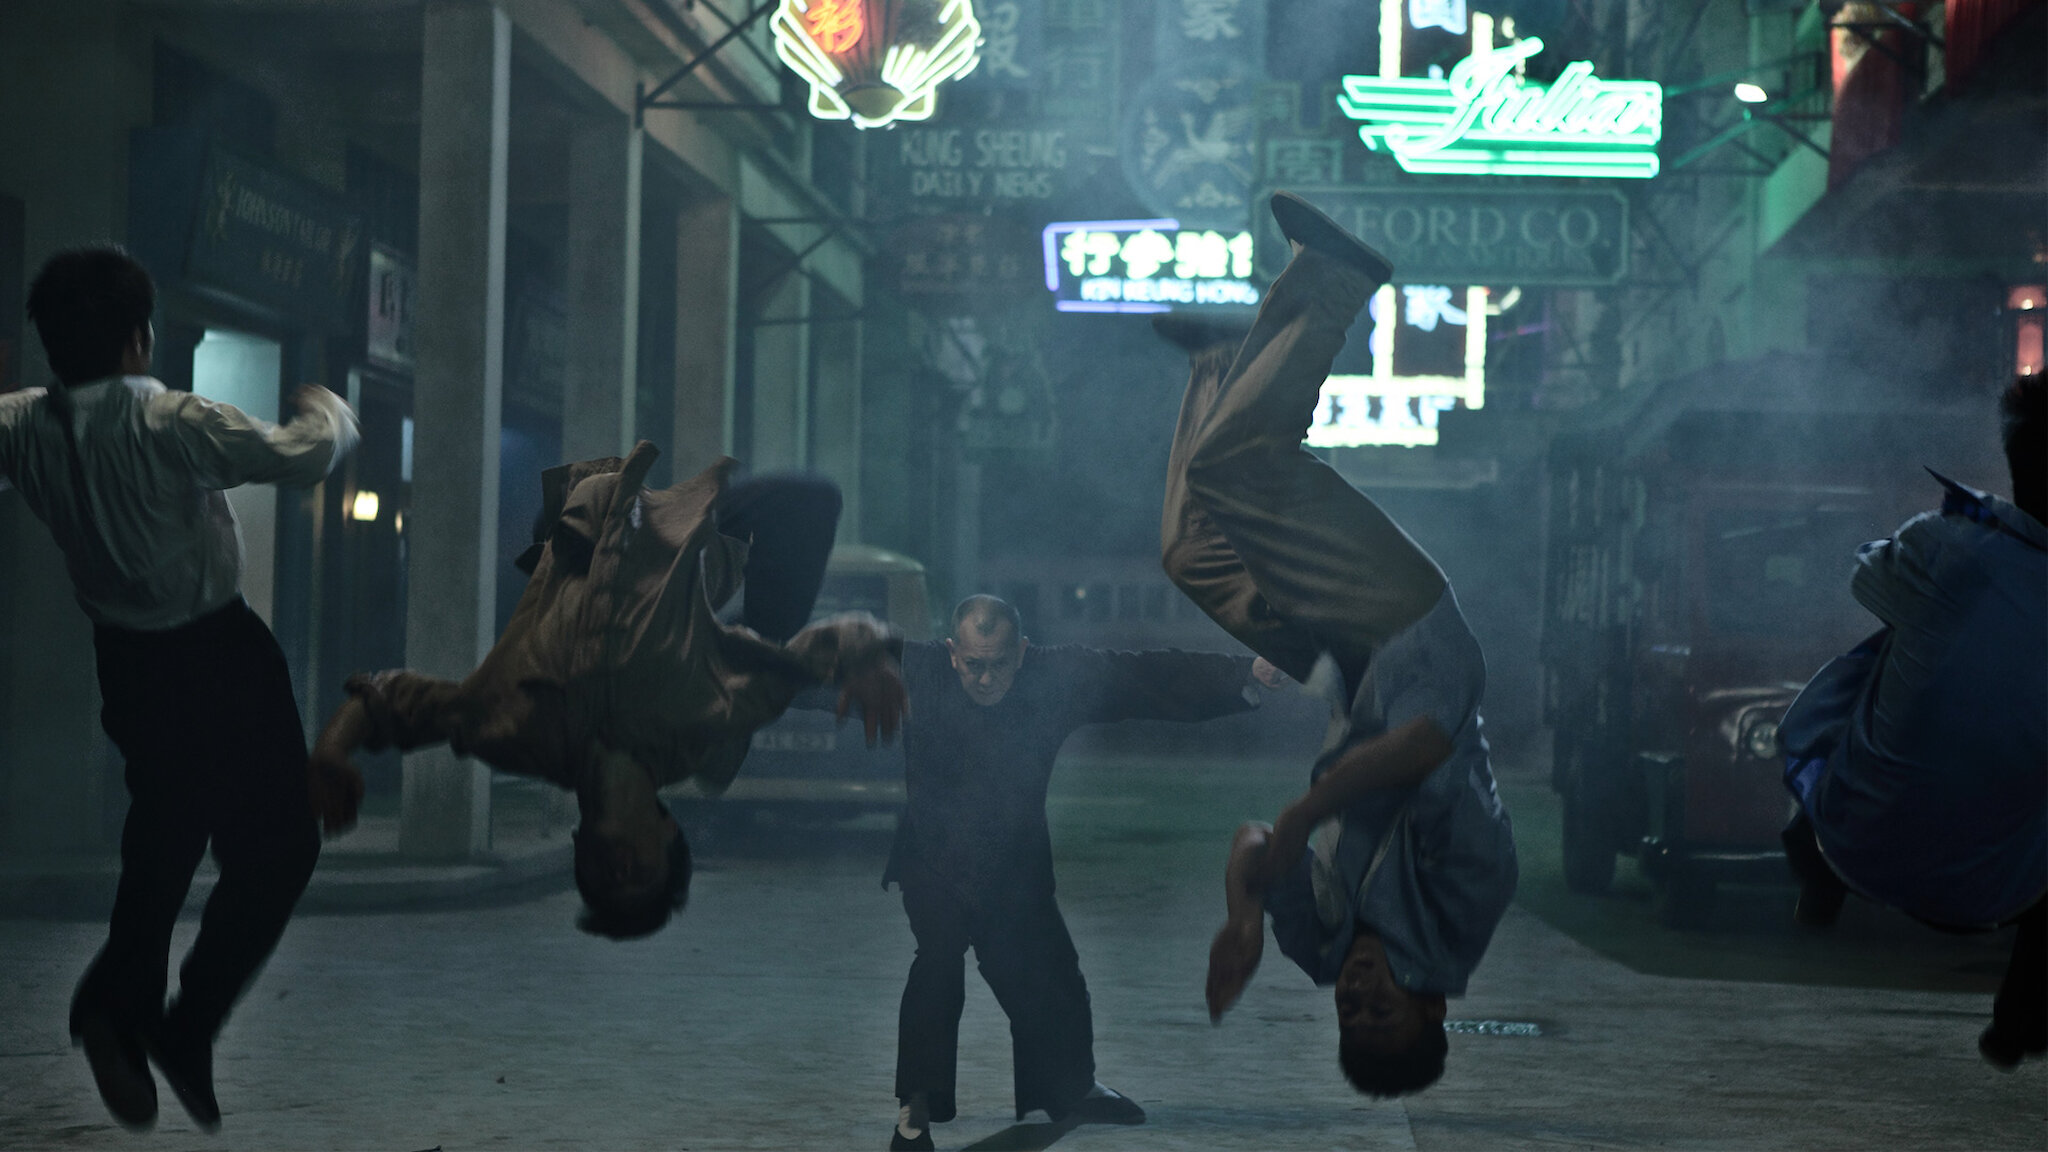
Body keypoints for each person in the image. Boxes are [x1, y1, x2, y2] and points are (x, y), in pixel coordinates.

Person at [0, 247, 360, 1132]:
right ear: (139, 338)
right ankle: (181, 1022)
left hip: (127, 664)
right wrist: (327, 406)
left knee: (163, 840)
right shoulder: (170, 421)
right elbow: (303, 455)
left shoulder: (21, 425)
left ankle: (121, 1008)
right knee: (280, 847)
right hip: (221, 653)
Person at [1170, 193, 1517, 1098]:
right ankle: (1335, 278)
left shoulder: (1323, 949)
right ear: (1430, 1004)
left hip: (1346, 672)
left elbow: (1253, 844)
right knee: (1238, 469)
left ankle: (1221, 362)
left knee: (1192, 555)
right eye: (1381, 1010)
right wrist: (1305, 815)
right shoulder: (1464, 905)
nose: (1356, 994)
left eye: (1348, 1014)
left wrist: (1245, 919)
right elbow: (1425, 743)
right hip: (1412, 637)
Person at [311, 443, 910, 940]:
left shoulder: (516, 733)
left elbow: (390, 702)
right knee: (809, 506)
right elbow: (811, 651)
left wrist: (330, 753)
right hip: (685, 556)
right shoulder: (703, 726)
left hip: (589, 531)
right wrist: (868, 653)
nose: (618, 868)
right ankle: (705, 571)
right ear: (668, 835)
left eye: (604, 880)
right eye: (638, 873)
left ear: (582, 852)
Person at [869, 593, 1278, 1150]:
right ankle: (914, 1111)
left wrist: (1243, 673)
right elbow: (810, 664)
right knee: (938, 966)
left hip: (1015, 866)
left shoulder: (1051, 677)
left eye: (999, 664)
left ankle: (1071, 1089)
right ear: (952, 653)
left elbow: (1141, 674)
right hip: (933, 863)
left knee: (1053, 971)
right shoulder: (915, 669)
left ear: (1023, 652)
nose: (986, 679)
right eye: (973, 665)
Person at [1779, 372, 2045, 1069]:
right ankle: (2017, 1022)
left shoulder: (1944, 547)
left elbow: (1866, 576)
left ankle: (1811, 861)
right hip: (1997, 888)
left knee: (1889, 645)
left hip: (1860, 839)